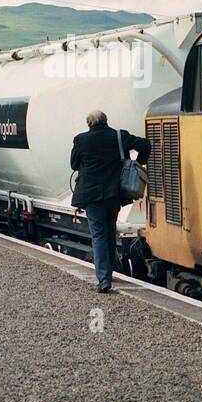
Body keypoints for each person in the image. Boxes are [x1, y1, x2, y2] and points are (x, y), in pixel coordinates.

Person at [70, 109, 150, 293]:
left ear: (89, 124)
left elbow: (74, 165)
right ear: (106, 121)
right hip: (114, 193)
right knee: (110, 231)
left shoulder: (80, 140)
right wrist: (138, 163)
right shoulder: (119, 136)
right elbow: (145, 144)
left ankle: (104, 278)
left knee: (98, 235)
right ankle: (109, 272)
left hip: (91, 196)